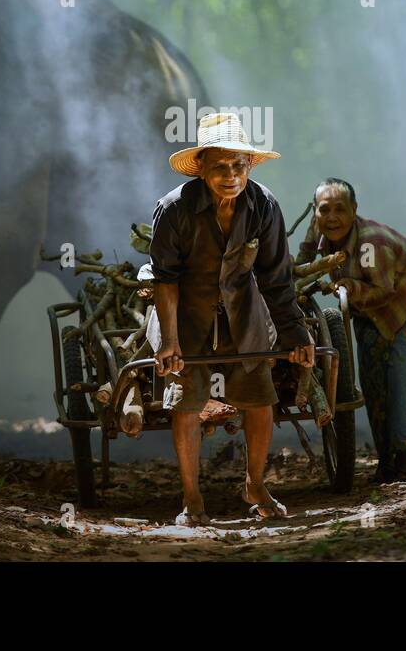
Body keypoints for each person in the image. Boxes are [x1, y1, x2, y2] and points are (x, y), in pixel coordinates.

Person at [148, 112, 316, 526]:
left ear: (249, 167)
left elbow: (276, 278)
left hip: (244, 314)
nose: (230, 175)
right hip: (184, 316)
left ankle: (255, 485)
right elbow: (165, 281)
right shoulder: (174, 209)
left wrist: (296, 332)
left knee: (260, 401)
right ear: (201, 167)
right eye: (220, 166)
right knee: (186, 405)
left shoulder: (264, 205)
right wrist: (169, 340)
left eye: (239, 165)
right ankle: (192, 500)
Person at [296, 178, 406, 483]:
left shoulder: (371, 243)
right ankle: (388, 459)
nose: (332, 217)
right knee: (372, 374)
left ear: (354, 210)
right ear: (315, 213)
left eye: (340, 209)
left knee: (398, 371)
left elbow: (383, 289)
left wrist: (345, 285)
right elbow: (303, 260)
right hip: (366, 299)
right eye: (324, 210)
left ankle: (403, 459)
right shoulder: (320, 228)